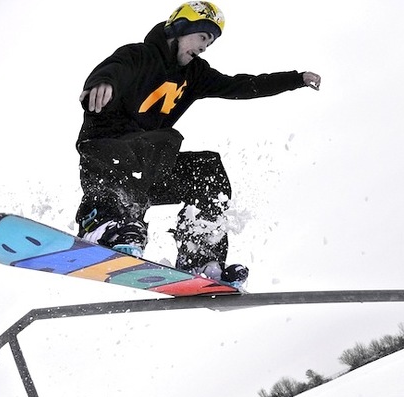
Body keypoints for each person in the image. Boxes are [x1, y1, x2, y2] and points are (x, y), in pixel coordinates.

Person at [75, 1, 321, 286]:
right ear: (180, 28)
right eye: (203, 37)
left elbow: (241, 85)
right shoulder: (139, 55)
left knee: (206, 167)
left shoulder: (195, 74)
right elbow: (116, 67)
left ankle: (200, 253)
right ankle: (102, 223)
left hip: (149, 169)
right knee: (163, 141)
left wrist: (296, 79)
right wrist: (104, 81)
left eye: (211, 43)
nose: (205, 47)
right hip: (106, 158)